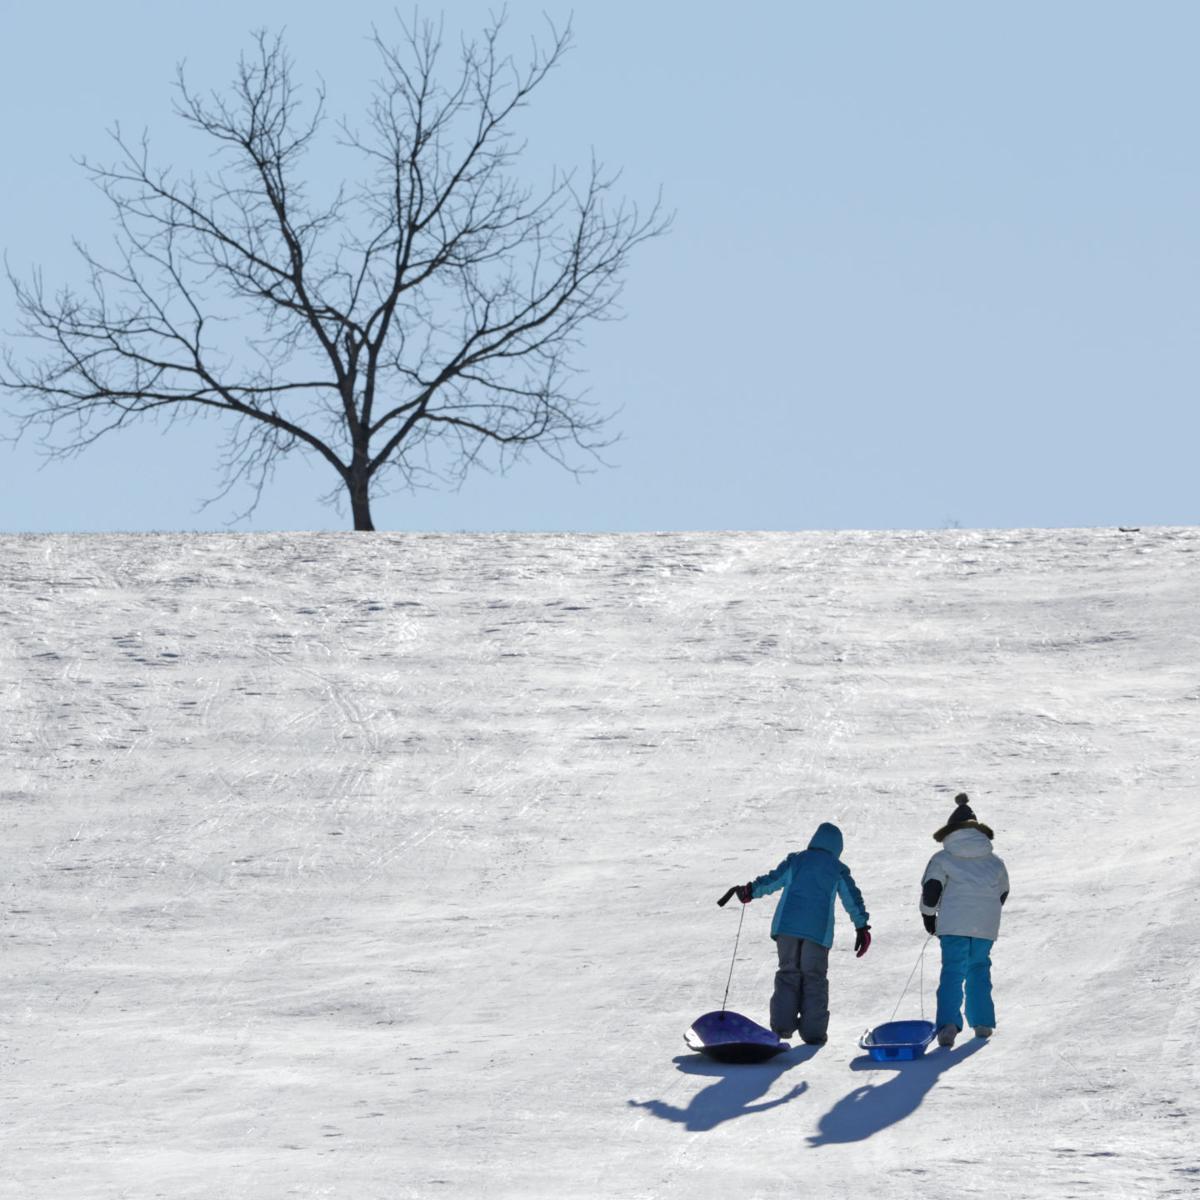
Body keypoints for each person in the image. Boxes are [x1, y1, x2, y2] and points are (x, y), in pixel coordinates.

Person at [724, 822, 871, 1045]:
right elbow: (852, 898)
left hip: (787, 930)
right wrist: (861, 926)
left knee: (788, 974)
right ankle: (813, 1033)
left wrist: (750, 891)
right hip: (817, 934)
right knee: (814, 979)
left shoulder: (797, 860)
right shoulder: (837, 869)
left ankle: (782, 1026)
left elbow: (773, 880)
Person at [919, 793, 1010, 1047]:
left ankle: (948, 1024)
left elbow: (932, 889)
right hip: (984, 927)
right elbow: (1003, 892)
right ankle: (982, 1023)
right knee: (979, 970)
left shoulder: (942, 859)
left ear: (951, 832)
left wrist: (929, 916)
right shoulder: (995, 862)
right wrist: (985, 913)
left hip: (953, 926)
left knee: (953, 972)